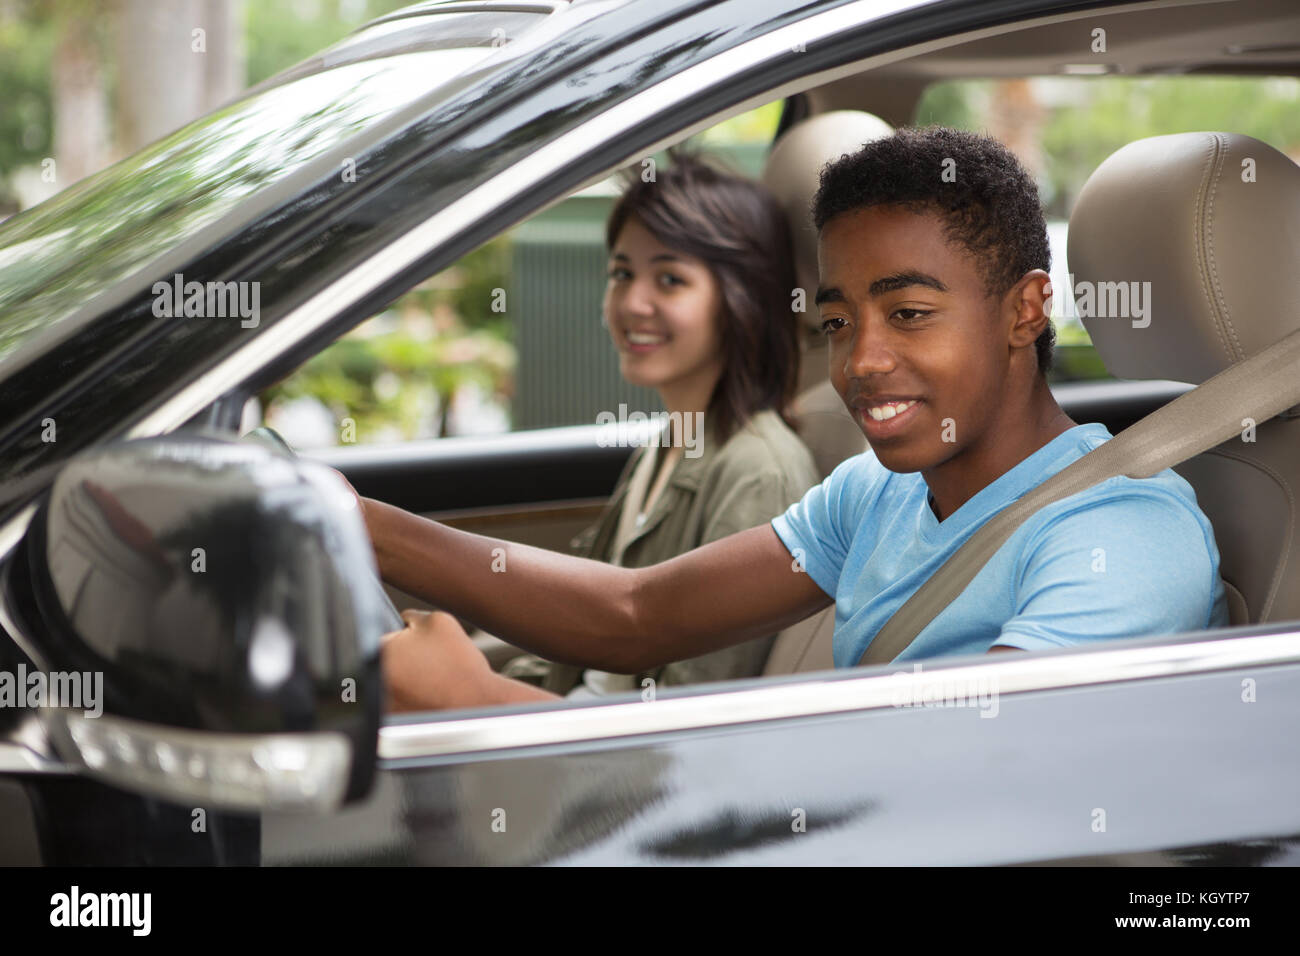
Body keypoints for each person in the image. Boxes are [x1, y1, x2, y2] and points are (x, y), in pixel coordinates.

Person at [371, 126, 1229, 713]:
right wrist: (360, 523)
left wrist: (488, 706)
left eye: (911, 314)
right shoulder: (874, 494)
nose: (859, 361)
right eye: (838, 321)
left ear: (1025, 310)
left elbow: (931, 780)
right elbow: (636, 615)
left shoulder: (1121, 536)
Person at [449, 151, 818, 700]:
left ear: (743, 301)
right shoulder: (665, 446)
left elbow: (683, 724)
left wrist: (466, 695)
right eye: (621, 273)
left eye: (669, 279)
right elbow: (584, 646)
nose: (632, 302)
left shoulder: (759, 473)